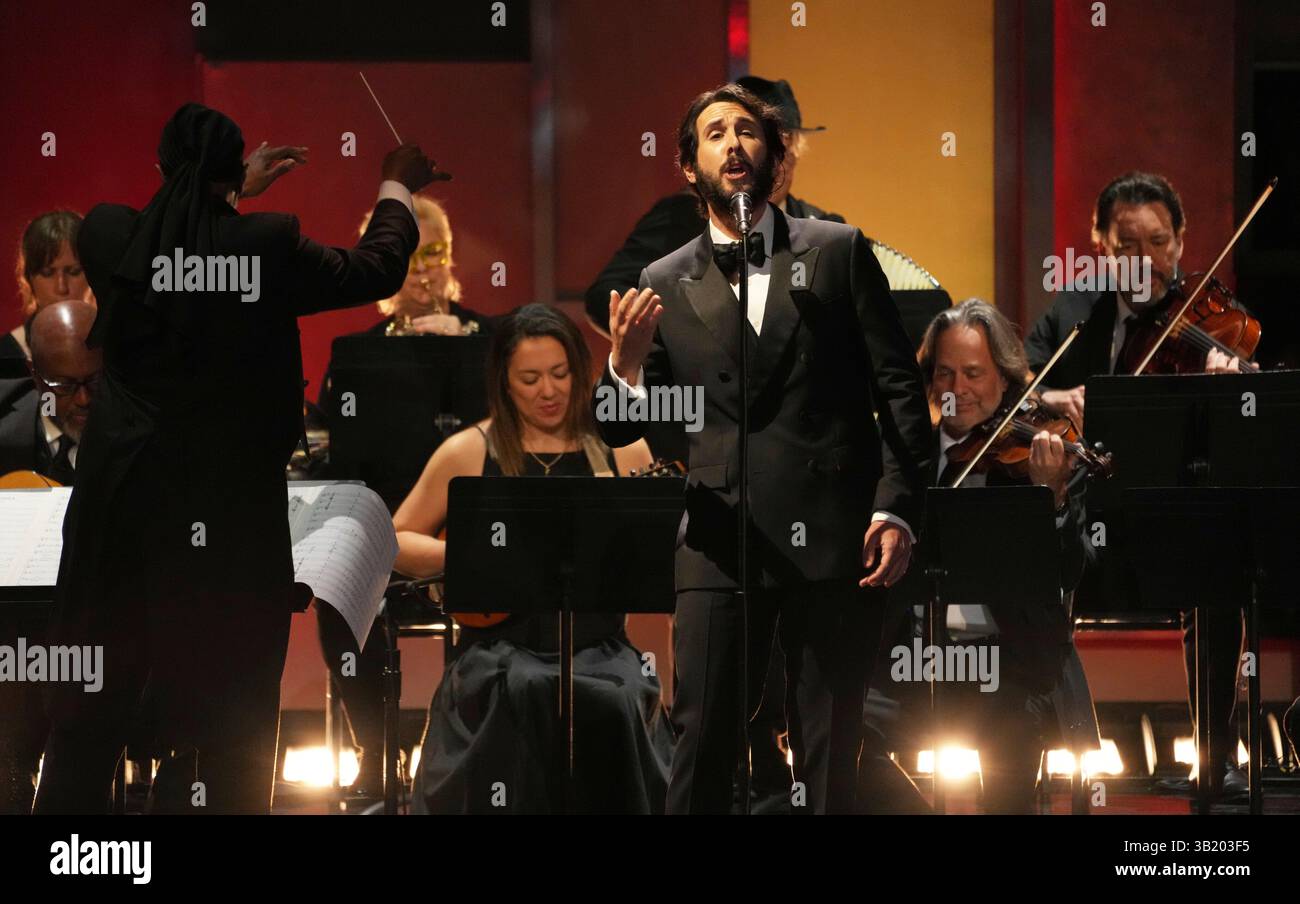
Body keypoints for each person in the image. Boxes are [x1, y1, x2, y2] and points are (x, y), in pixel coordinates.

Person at [32, 102, 436, 815]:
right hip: (229, 531)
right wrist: (396, 186)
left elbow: (166, 239)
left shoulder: (106, 233)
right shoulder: (266, 246)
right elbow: (376, 269)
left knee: (90, 713)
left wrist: (220, 190)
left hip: (117, 520)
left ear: (163, 167)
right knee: (235, 723)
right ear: (229, 171)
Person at [597, 83, 932, 814]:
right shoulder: (662, 280)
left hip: (834, 534)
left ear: (775, 156)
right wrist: (623, 366)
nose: (733, 144)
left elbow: (901, 393)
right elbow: (622, 427)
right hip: (719, 536)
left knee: (827, 751)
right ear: (689, 166)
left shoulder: (837, 253)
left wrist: (897, 509)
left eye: (747, 131)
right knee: (702, 742)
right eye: (714, 134)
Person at [393, 303, 672, 813]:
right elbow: (397, 538)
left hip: (601, 648)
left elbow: (660, 543)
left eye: (561, 374)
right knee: (522, 687)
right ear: (503, 380)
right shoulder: (469, 450)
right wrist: (470, 554)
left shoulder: (622, 449)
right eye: (529, 378)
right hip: (499, 648)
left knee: (614, 698)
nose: (548, 391)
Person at [1024, 171, 1246, 798]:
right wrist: (1053, 397)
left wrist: (1236, 389)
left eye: (1159, 242)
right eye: (1128, 245)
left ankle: (1216, 759)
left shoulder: (1214, 322)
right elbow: (1009, 390)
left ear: (1181, 241)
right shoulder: (1072, 314)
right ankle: (1045, 748)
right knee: (1032, 560)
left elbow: (1255, 421)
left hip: (1176, 520)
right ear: (1099, 244)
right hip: (1092, 521)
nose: (1146, 260)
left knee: (1220, 568)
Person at [313, 195, 493, 799]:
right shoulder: (358, 355)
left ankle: (472, 751)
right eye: (409, 256)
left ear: (452, 258)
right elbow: (336, 452)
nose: (423, 269)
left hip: (477, 530)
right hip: (391, 531)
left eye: (435, 252)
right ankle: (377, 750)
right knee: (336, 592)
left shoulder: (494, 343)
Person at [911, 299, 1099, 813]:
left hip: (1010, 658)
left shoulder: (1039, 457)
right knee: (844, 725)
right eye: (945, 373)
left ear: (1006, 380)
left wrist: (1052, 497)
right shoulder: (908, 459)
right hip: (917, 654)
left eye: (974, 373)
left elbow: (1069, 572)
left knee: (1007, 728)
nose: (958, 389)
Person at [0, 299, 100, 814]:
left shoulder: (142, 432)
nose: (83, 399)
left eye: (95, 381)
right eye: (65, 386)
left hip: (107, 629)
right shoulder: (2, 434)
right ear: (36, 379)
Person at [2, 211, 92, 377]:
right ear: (28, 279)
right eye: (47, 273)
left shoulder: (114, 349)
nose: (61, 287)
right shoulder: (7, 356)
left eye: (74, 272)